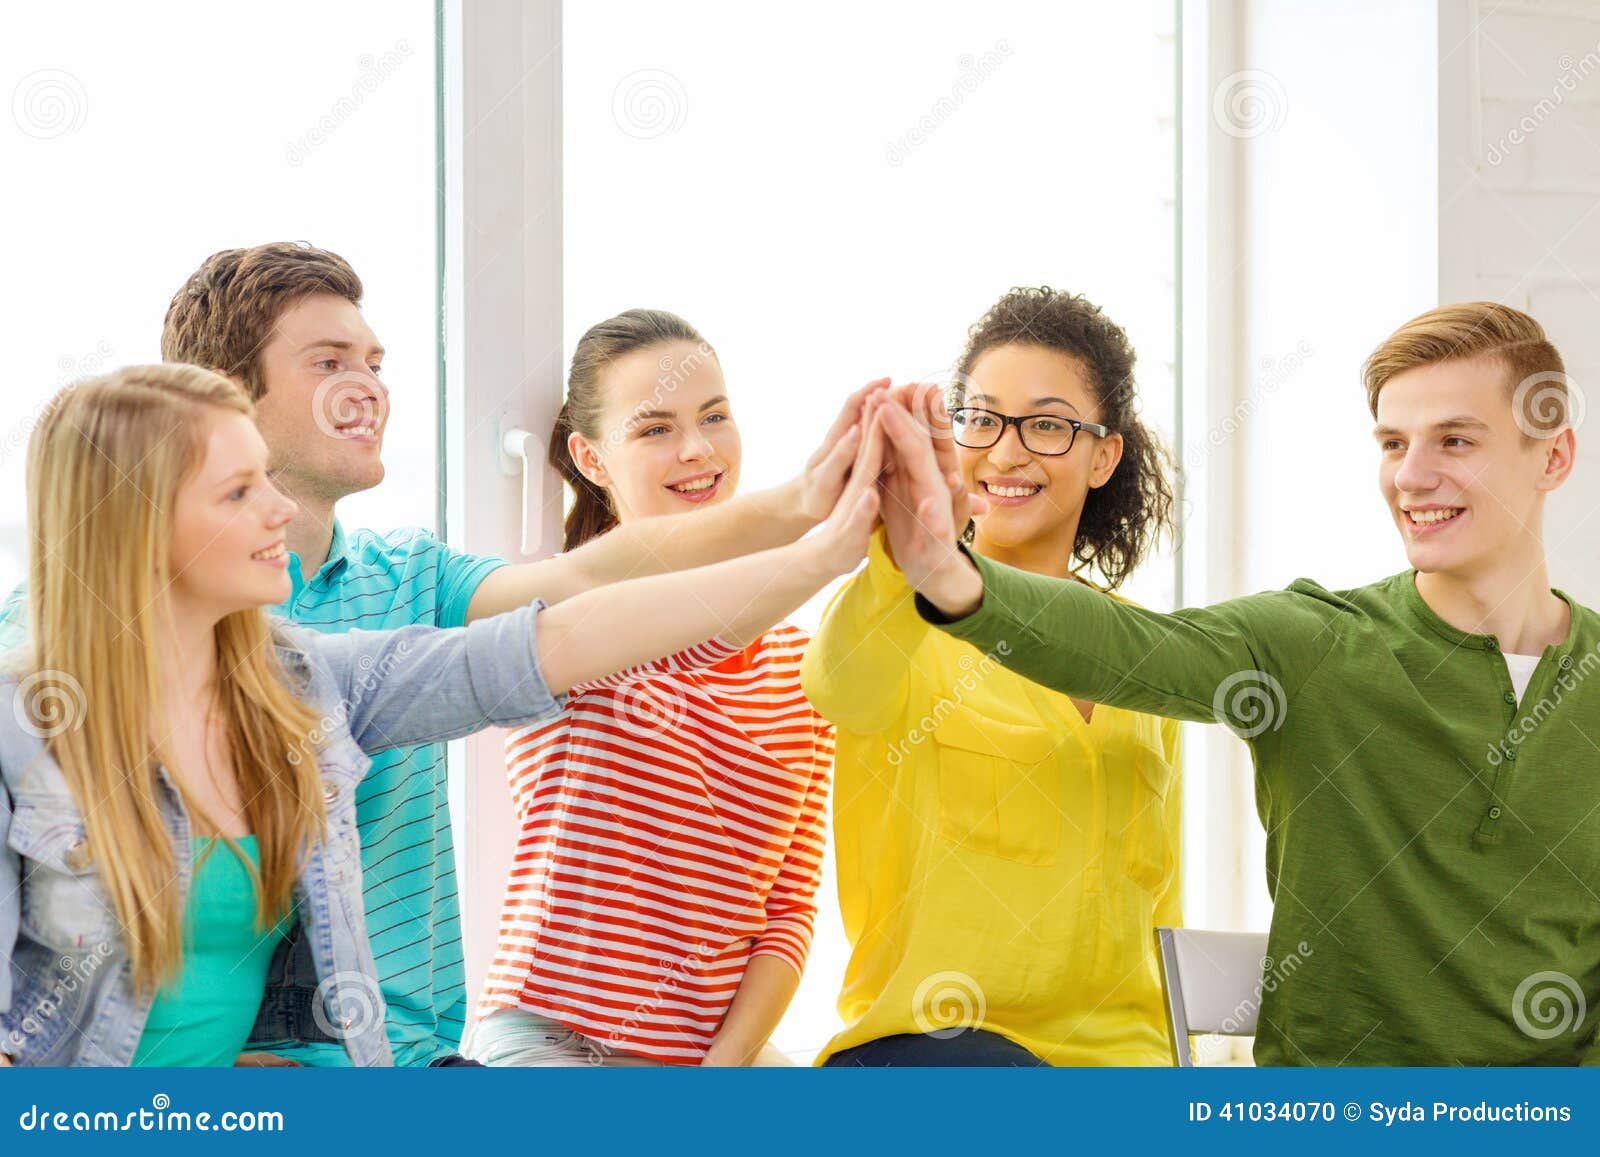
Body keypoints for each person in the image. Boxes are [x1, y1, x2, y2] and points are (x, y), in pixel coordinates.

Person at [0, 243, 877, 1067]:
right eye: (328, 362)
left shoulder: (341, 648)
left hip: (395, 1061)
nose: (367, 389)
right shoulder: (37, 685)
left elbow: (564, 619)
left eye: (375, 363)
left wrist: (814, 521)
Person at [877, 302, 1600, 1065]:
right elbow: (1131, 648)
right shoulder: (1316, 645)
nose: (1411, 477)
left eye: (1455, 440)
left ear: (1552, 458)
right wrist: (948, 575)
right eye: (1393, 443)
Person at [803, 287, 1182, 1066]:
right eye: (981, 418)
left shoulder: (1144, 652)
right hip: (932, 1052)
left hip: (1123, 1068)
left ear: (1103, 455)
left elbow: (1160, 911)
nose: (1005, 453)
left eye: (1046, 424)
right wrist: (907, 552)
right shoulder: (902, 608)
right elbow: (837, 684)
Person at [472, 309, 832, 1066]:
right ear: (591, 458)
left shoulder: (801, 667)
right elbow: (694, 628)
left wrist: (725, 1064)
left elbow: (789, 907)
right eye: (655, 429)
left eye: (714, 416)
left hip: (716, 1055)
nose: (697, 449)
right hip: (559, 1040)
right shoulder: (566, 618)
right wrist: (829, 536)